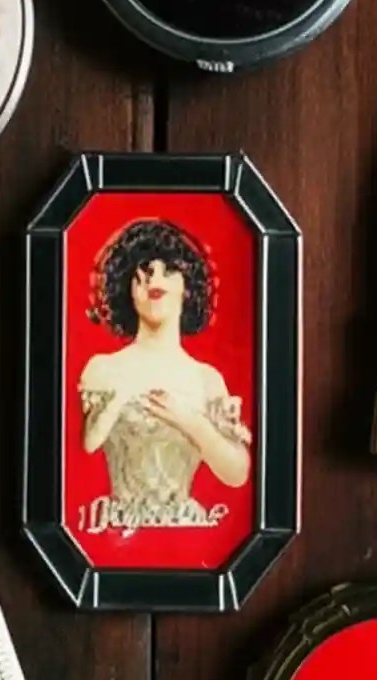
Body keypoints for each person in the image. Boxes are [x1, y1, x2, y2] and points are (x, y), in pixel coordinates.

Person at [77, 219, 252, 524]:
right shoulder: (102, 369)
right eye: (143, 272)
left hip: (187, 530)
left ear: (186, 287)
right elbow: (82, 450)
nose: (154, 280)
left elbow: (237, 473)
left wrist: (189, 421)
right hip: (117, 528)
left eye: (168, 270)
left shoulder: (206, 379)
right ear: (127, 288)